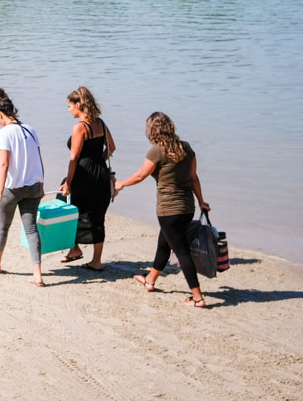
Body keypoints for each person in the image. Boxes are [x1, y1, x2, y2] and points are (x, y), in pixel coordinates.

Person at [115, 111, 210, 308]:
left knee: (182, 252)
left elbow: (141, 175)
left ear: (152, 130)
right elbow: (194, 178)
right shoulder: (186, 148)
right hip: (187, 208)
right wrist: (201, 201)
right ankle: (150, 280)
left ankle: (198, 297)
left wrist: (121, 183)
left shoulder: (157, 151)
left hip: (168, 210)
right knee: (163, 245)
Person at [0, 88, 45, 287]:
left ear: (0, 114)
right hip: (34, 186)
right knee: (32, 230)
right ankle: (37, 275)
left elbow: (4, 164)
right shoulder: (31, 129)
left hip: (13, 189)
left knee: (2, 227)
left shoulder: (4, 133)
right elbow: (39, 158)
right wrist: (41, 183)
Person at [57, 87, 115, 271]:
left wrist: (68, 183)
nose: (68, 110)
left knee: (65, 207)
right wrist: (99, 161)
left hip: (84, 177)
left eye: (69, 106)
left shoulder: (80, 127)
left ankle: (74, 248)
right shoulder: (101, 124)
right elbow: (111, 148)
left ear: (78, 105)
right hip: (101, 176)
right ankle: (96, 261)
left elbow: (73, 158)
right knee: (98, 218)